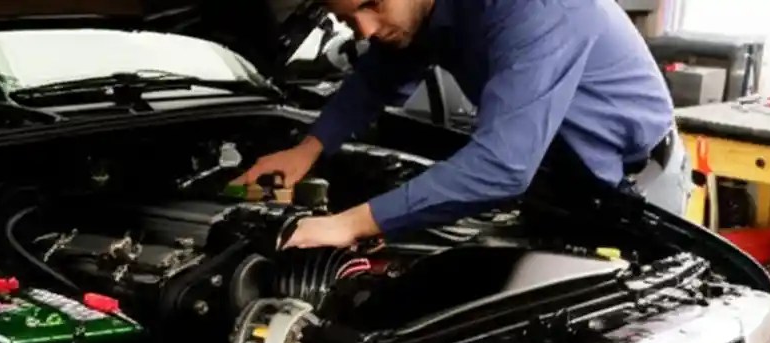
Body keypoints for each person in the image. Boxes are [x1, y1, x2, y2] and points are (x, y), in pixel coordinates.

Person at [236, 0, 689, 250]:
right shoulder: (422, 13)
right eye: (349, 19)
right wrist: (308, 149)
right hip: (555, 184)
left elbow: (501, 167)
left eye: (372, 4)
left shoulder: (532, 7)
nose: (366, 29)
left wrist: (351, 224)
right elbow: (378, 75)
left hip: (637, 187)